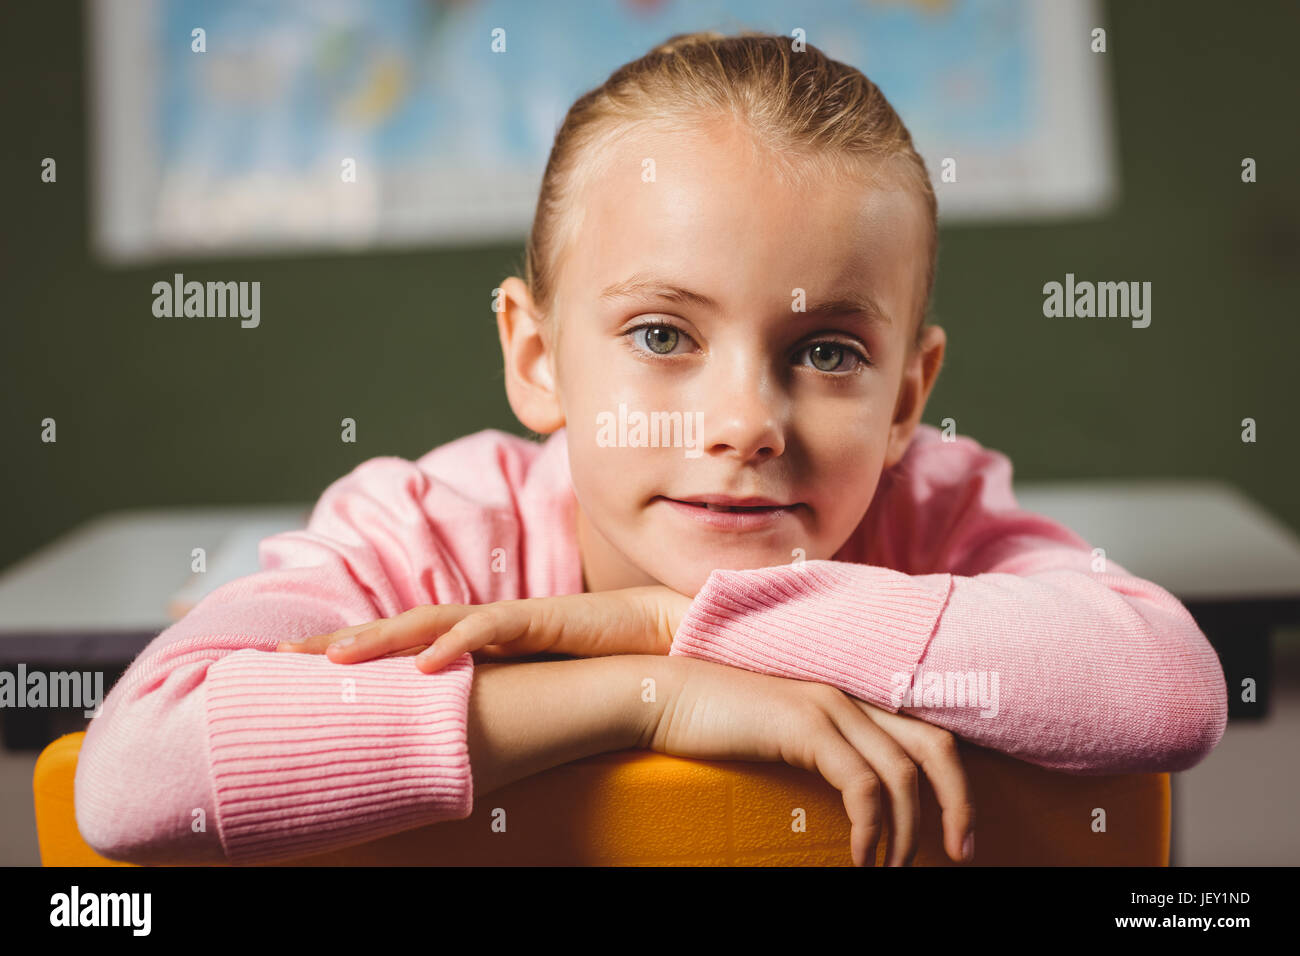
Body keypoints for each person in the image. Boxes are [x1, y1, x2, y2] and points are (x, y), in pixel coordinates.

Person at [74, 31, 1226, 869]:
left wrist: (675, 620)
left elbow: (1167, 687)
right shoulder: (433, 535)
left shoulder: (932, 506)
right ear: (535, 358)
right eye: (663, 333)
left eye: (827, 350)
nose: (746, 423)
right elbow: (133, 776)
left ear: (906, 395)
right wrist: (646, 695)